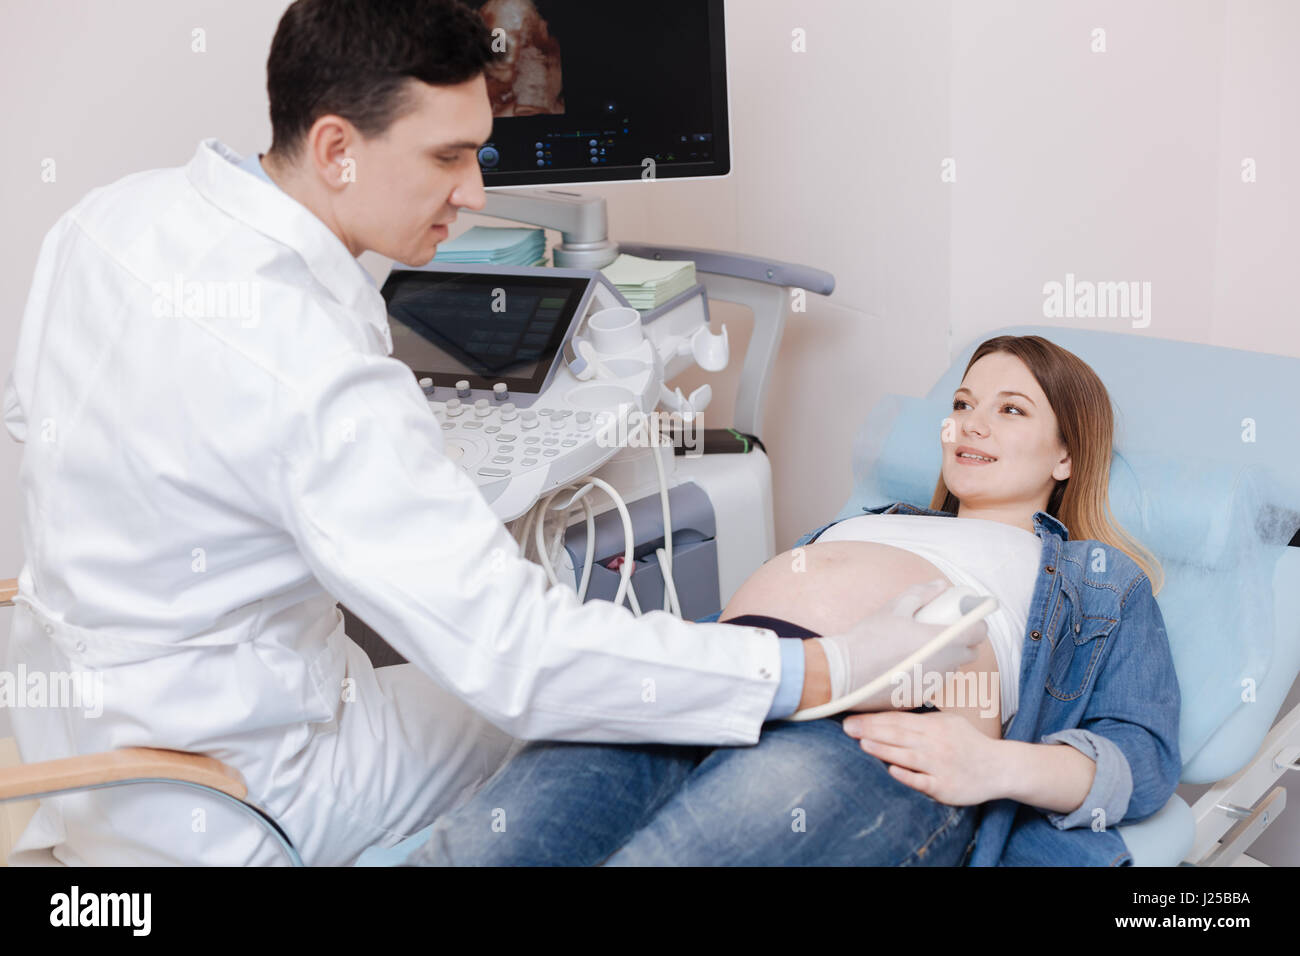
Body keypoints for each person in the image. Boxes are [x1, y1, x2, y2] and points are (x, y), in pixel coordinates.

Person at [2, 0, 979, 866]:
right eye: (446, 155)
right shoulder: (314, 369)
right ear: (337, 146)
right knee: (611, 716)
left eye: (480, 149)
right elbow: (519, 656)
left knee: (578, 672)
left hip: (71, 750)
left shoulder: (106, 221)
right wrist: (827, 664)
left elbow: (35, 429)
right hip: (230, 793)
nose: (474, 191)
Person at [409, 335, 1183, 867]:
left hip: (879, 735)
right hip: (725, 683)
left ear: (1066, 454)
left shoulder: (1095, 580)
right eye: (965, 402)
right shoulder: (873, 519)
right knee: (484, 845)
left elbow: (1142, 762)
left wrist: (994, 765)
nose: (971, 423)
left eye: (1011, 409)